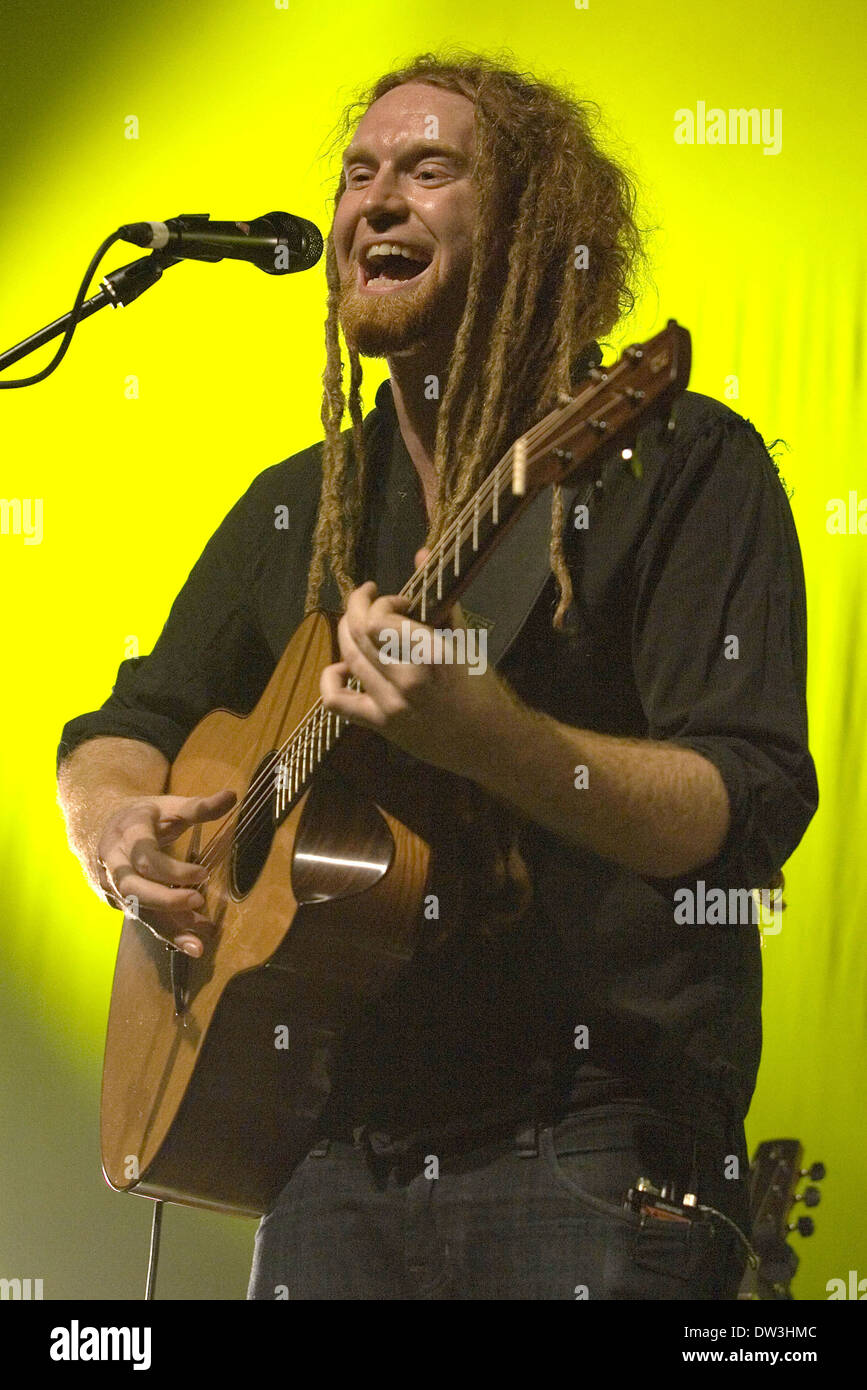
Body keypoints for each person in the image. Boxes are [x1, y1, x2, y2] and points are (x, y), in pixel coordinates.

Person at [57, 51, 818, 1300]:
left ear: (531, 229)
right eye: (359, 174)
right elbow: (126, 724)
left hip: (594, 1140)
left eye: (429, 169)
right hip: (326, 1155)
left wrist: (495, 738)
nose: (376, 200)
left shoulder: (672, 464)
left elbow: (745, 812)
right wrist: (114, 826)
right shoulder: (300, 505)